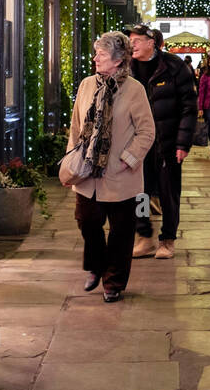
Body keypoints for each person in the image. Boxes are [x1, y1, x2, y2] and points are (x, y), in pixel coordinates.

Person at [60, 31, 156, 303]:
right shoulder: (87, 85)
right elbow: (77, 128)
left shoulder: (135, 89)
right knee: (87, 221)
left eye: (100, 54)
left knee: (122, 232)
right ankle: (96, 265)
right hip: (88, 172)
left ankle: (113, 282)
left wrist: (129, 158)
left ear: (117, 60)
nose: (95, 58)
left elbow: (147, 132)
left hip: (121, 175)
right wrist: (71, 163)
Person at [127, 23, 196, 259]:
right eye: (130, 40)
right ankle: (144, 236)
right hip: (137, 145)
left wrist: (182, 144)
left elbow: (189, 107)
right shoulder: (127, 68)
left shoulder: (174, 66)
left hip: (166, 144)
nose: (132, 44)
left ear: (152, 42)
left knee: (168, 194)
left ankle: (167, 239)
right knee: (140, 193)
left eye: (137, 40)